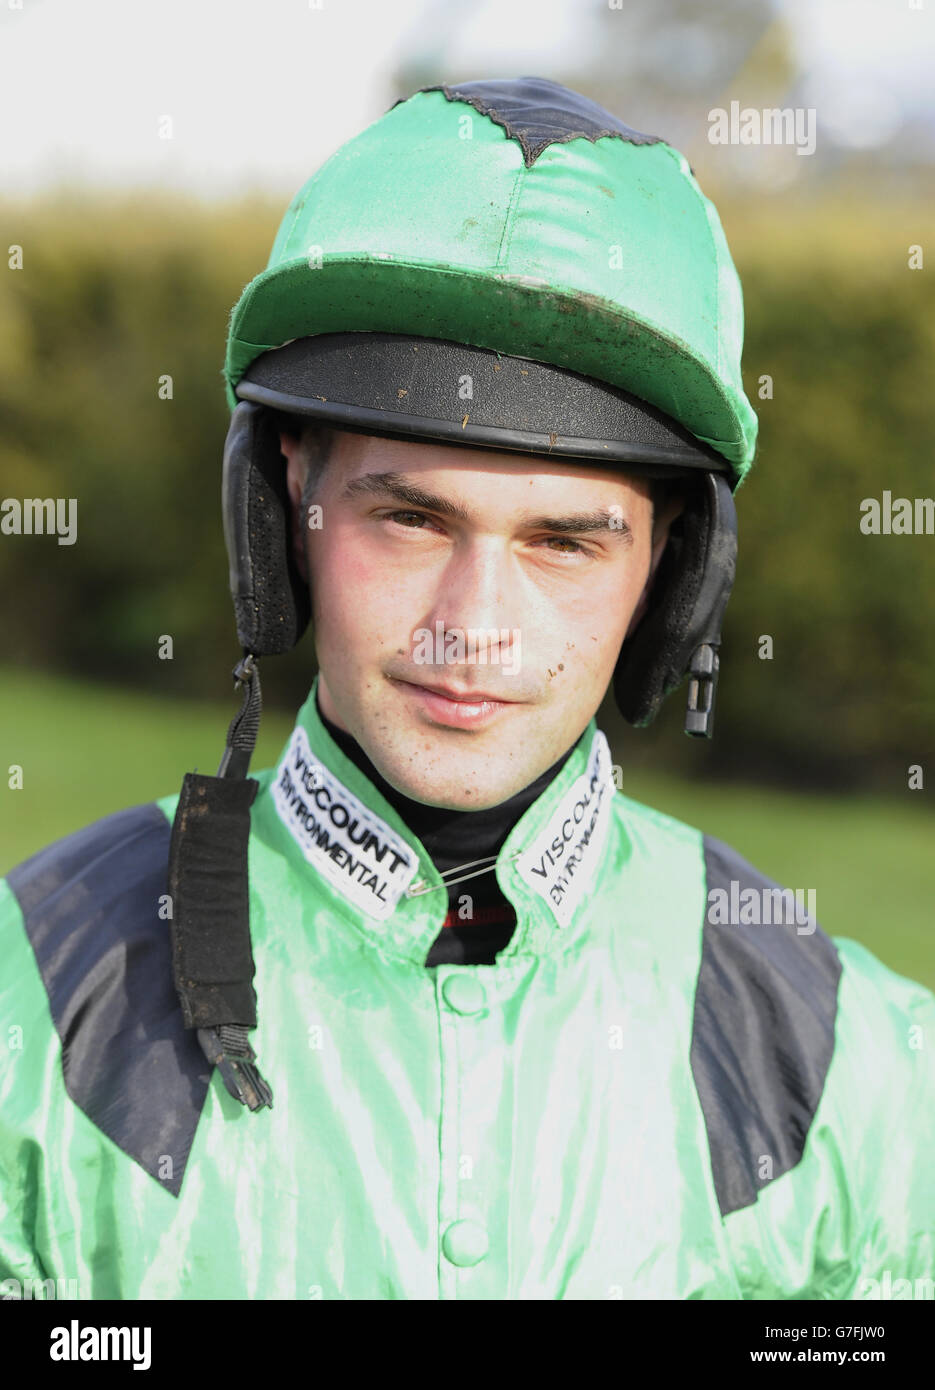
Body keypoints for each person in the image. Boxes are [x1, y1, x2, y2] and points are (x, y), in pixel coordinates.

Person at [1, 77, 932, 1302]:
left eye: (563, 543)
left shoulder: (851, 1065)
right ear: (285, 510)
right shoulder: (31, 1005)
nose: (472, 628)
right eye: (407, 518)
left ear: (673, 576)